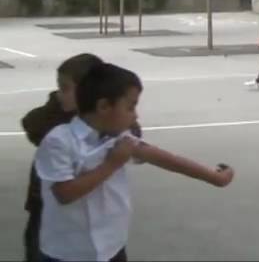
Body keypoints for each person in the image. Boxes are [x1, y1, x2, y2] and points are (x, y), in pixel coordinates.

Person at [34, 62, 234, 262]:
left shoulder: (120, 138)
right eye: (130, 107)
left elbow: (163, 158)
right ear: (103, 106)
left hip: (111, 247)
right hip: (67, 253)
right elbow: (64, 193)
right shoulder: (59, 141)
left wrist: (214, 177)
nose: (135, 115)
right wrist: (111, 164)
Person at [22, 53, 102, 262]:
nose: (59, 93)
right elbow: (31, 124)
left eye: (65, 88)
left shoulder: (107, 116)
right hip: (45, 206)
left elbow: (133, 134)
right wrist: (61, 107)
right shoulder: (56, 113)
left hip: (92, 209)